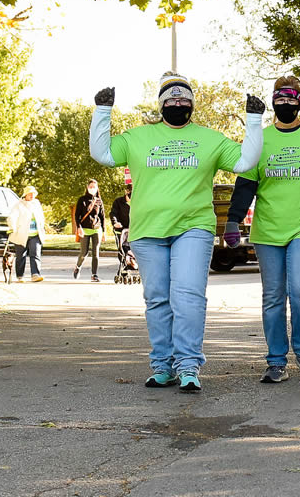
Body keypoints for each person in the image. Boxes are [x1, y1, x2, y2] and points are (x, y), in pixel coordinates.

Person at [89, 71, 265, 392]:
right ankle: (162, 366)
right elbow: (102, 153)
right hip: (147, 230)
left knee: (187, 297)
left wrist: (254, 120)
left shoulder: (210, 139)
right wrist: (102, 112)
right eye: (171, 98)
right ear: (161, 104)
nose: (178, 103)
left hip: (192, 228)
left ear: (192, 104)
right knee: (157, 299)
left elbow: (244, 161)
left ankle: (187, 366)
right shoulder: (137, 138)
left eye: (184, 98)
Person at [225, 75, 300, 384]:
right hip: (267, 229)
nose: (284, 104)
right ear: (273, 102)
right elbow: (246, 185)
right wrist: (233, 218)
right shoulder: (261, 140)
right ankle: (276, 361)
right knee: (273, 296)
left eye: (290, 99)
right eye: (279, 99)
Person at [6, 185, 46, 282]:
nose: (32, 196)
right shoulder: (19, 205)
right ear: (25, 195)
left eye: (33, 194)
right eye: (30, 194)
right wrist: (12, 226)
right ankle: (20, 276)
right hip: (21, 234)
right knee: (21, 256)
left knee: (35, 253)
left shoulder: (37, 204)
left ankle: (35, 274)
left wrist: (42, 227)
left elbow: (41, 217)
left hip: (35, 234)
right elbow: (12, 217)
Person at [73, 179, 106, 282]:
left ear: (97, 189)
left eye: (94, 187)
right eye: (90, 186)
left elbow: (102, 216)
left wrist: (104, 231)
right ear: (87, 188)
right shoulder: (82, 200)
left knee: (96, 252)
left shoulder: (99, 201)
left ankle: (94, 274)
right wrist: (79, 227)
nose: (92, 189)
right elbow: (77, 215)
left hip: (97, 229)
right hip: (84, 229)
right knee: (84, 252)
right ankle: (78, 267)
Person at [110, 182, 133, 261]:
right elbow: (113, 213)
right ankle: (124, 266)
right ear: (126, 191)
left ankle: (132, 263)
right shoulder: (118, 202)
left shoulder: (138, 202)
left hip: (134, 229)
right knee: (122, 249)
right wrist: (115, 223)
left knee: (133, 248)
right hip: (121, 230)